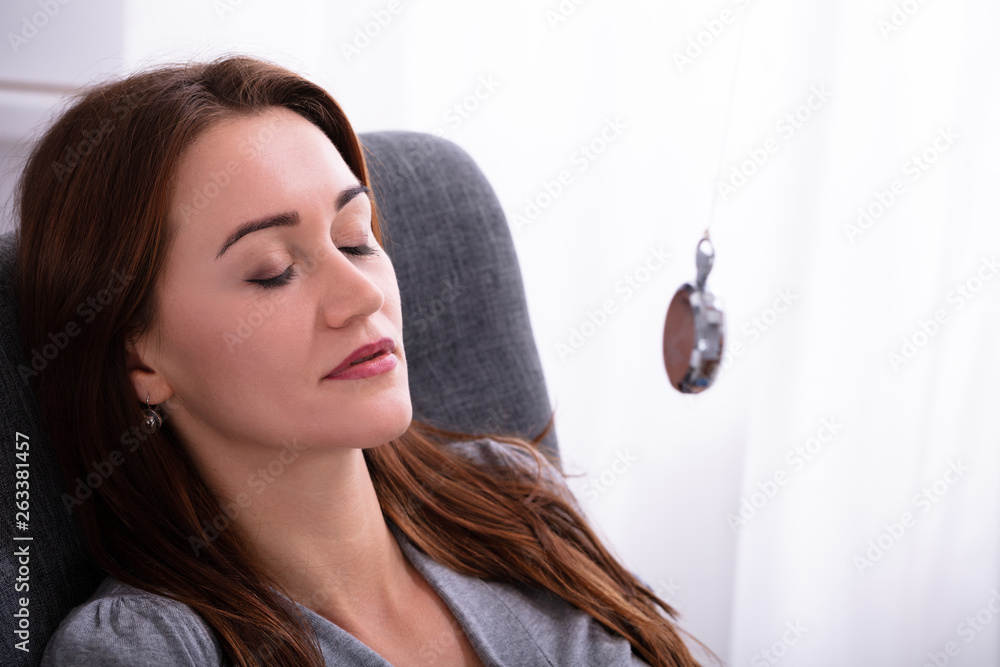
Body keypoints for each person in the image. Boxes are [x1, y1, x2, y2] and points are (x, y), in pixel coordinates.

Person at [14, 55, 708, 666]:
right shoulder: (150, 650)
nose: (359, 293)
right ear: (141, 358)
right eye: (273, 270)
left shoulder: (513, 499)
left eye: (355, 237)